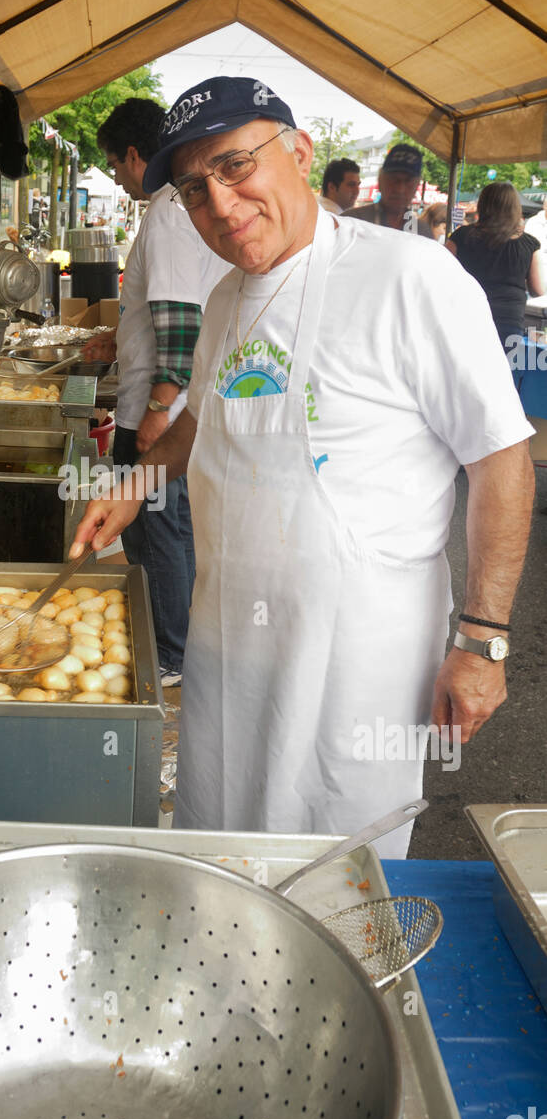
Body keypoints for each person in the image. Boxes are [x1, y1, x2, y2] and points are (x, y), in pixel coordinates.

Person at [70, 76, 534, 858]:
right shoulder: (225, 299)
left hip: (356, 666)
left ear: (300, 151)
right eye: (193, 187)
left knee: (337, 869)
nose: (219, 202)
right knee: (224, 848)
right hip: (231, 647)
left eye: (235, 165)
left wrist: (484, 640)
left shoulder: (409, 278)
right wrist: (139, 481)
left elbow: (501, 458)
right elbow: (206, 419)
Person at [81, 97, 231, 689]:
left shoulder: (169, 209)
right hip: (177, 399)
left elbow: (180, 316)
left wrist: (159, 409)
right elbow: (163, 307)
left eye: (117, 165)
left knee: (157, 525)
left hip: (164, 406)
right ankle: (183, 641)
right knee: (174, 524)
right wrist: (115, 337)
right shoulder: (177, 209)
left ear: (137, 155)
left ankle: (172, 653)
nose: (118, 178)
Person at [447, 182, 542, 350]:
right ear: (515, 208)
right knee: (504, 373)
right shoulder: (529, 244)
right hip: (509, 321)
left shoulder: (461, 237)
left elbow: (441, 274)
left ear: (483, 205)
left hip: (467, 316)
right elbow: (537, 289)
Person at [346, 144, 433, 236]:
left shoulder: (422, 232)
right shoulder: (351, 222)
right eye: (393, 179)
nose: (400, 189)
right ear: (380, 180)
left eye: (408, 181)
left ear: (417, 185)